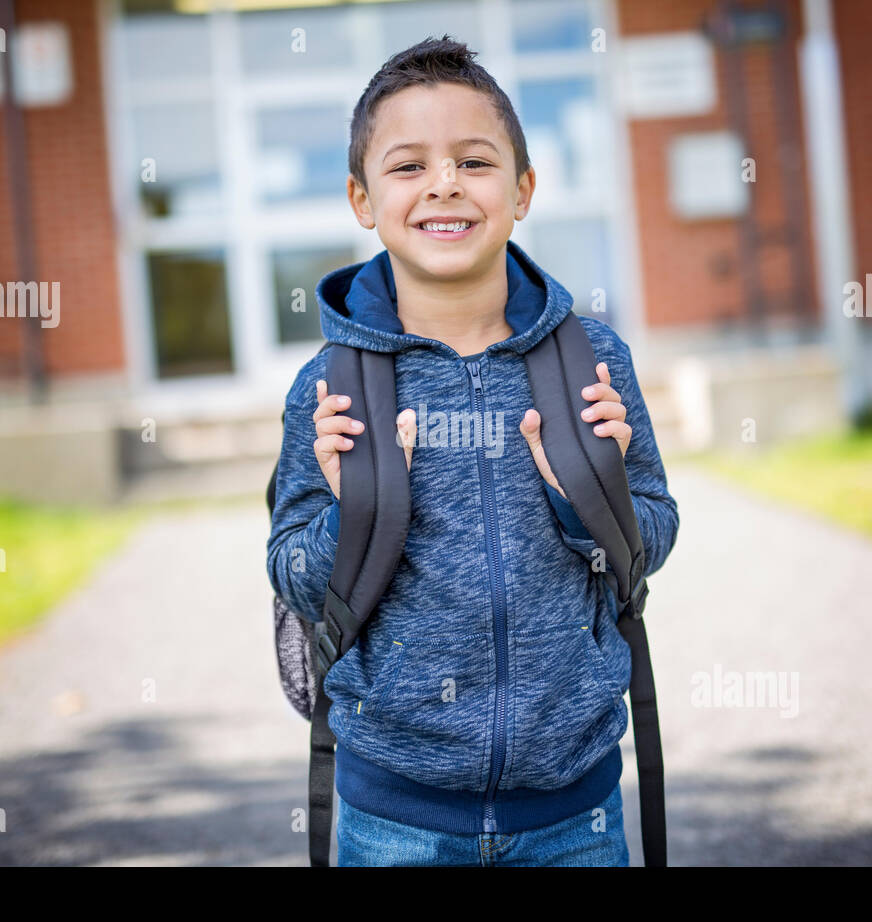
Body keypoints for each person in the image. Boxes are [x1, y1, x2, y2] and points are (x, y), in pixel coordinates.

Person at [266, 35, 680, 866]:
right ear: (361, 198)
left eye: (474, 162)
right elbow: (294, 577)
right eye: (409, 166)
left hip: (576, 811)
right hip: (394, 817)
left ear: (523, 190)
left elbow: (651, 539)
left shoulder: (590, 359)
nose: (444, 184)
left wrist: (584, 496)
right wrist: (350, 512)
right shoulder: (332, 384)